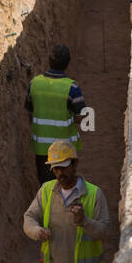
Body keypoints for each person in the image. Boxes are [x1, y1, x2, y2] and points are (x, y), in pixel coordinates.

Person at [25, 44, 86, 185]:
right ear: (68, 63)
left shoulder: (34, 84)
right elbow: (82, 116)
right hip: (64, 149)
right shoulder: (72, 87)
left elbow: (30, 112)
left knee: (46, 187)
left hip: (41, 149)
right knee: (65, 187)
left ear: (49, 60)